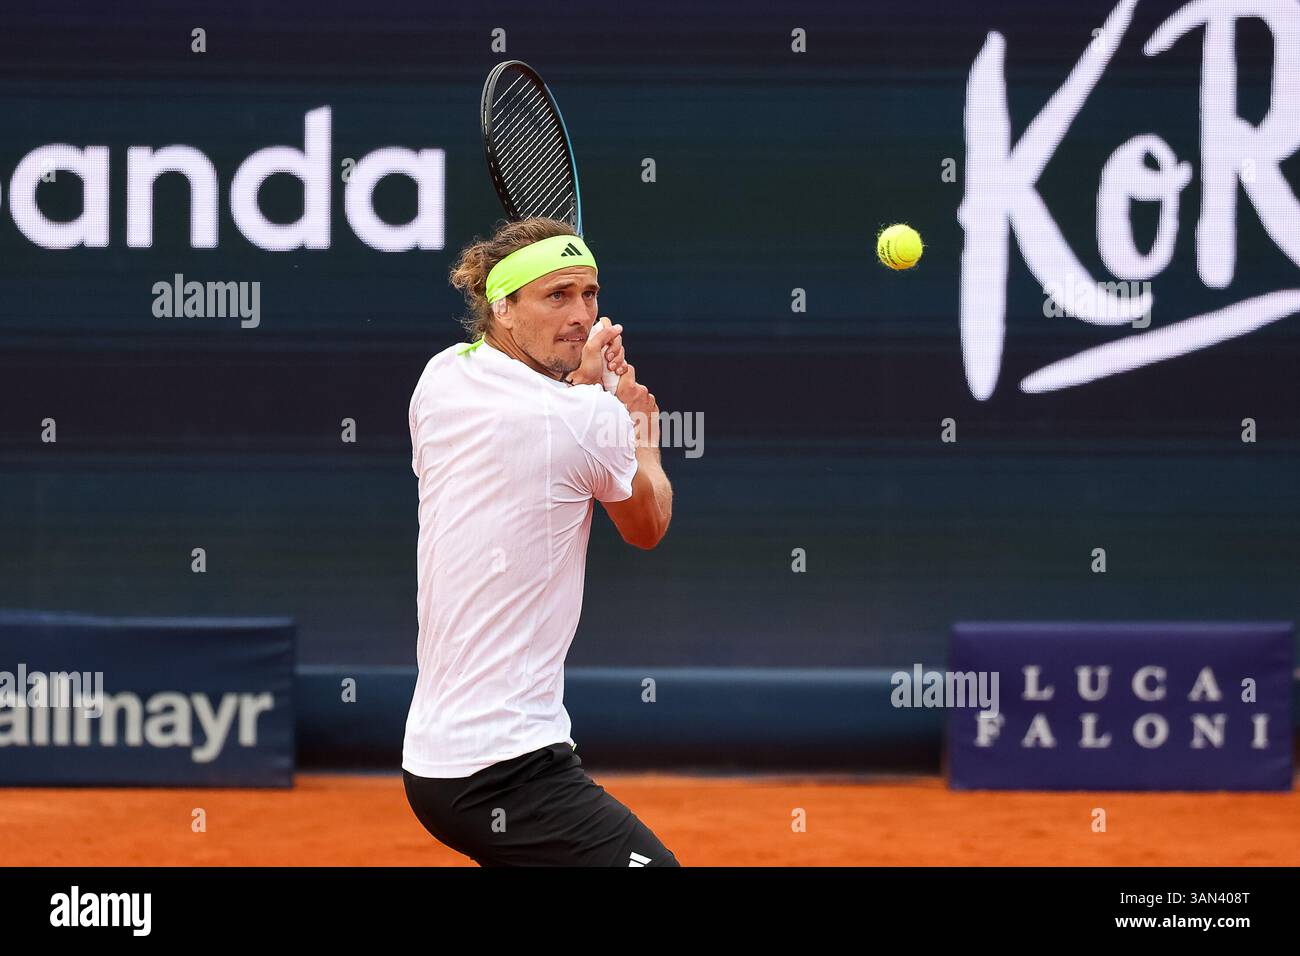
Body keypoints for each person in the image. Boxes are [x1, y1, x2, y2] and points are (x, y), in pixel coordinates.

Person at [401, 216, 679, 867]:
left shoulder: (440, 378)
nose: (581, 314)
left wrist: (585, 393)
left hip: (437, 761)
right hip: (505, 768)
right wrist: (638, 426)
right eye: (557, 296)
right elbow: (647, 525)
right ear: (503, 306)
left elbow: (539, 424)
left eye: (590, 292)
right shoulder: (583, 420)